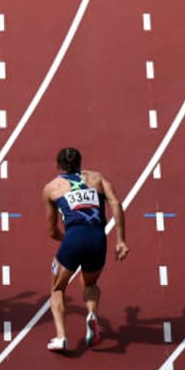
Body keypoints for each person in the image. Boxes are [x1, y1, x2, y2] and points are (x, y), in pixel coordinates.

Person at [43, 148, 128, 351]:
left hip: (73, 238)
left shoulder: (52, 188)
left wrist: (68, 241)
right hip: (98, 238)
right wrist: (121, 240)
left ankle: (61, 337)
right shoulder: (97, 178)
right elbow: (116, 203)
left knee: (57, 288)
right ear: (81, 163)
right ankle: (92, 315)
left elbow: (52, 231)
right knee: (90, 284)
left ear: (58, 165)